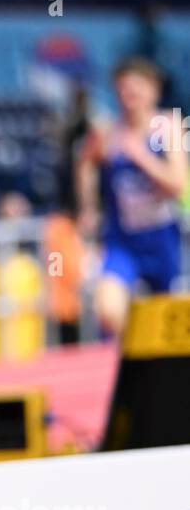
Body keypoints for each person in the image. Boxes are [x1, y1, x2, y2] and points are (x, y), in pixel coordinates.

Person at [76, 58, 187, 336]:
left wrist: (140, 156)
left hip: (163, 238)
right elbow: (85, 163)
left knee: (169, 326)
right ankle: (133, 353)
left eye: (135, 90)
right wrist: (87, 208)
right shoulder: (108, 132)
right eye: (122, 91)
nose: (129, 98)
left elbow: (177, 183)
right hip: (122, 240)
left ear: (153, 91)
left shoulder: (168, 126)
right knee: (108, 308)